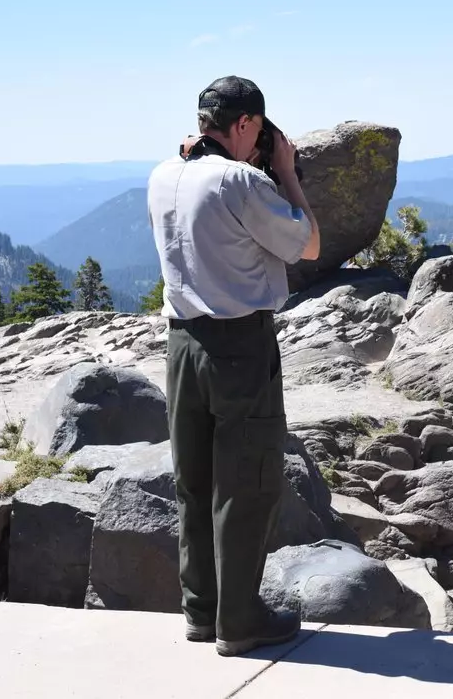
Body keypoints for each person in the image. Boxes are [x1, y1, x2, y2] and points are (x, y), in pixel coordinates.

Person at [147, 75, 320, 657]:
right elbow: (308, 243)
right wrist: (288, 173)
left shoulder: (162, 176)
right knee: (244, 484)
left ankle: (201, 611)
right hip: (239, 347)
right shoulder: (240, 180)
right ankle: (240, 620)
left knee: (193, 480)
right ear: (244, 123)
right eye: (258, 131)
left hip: (180, 345)